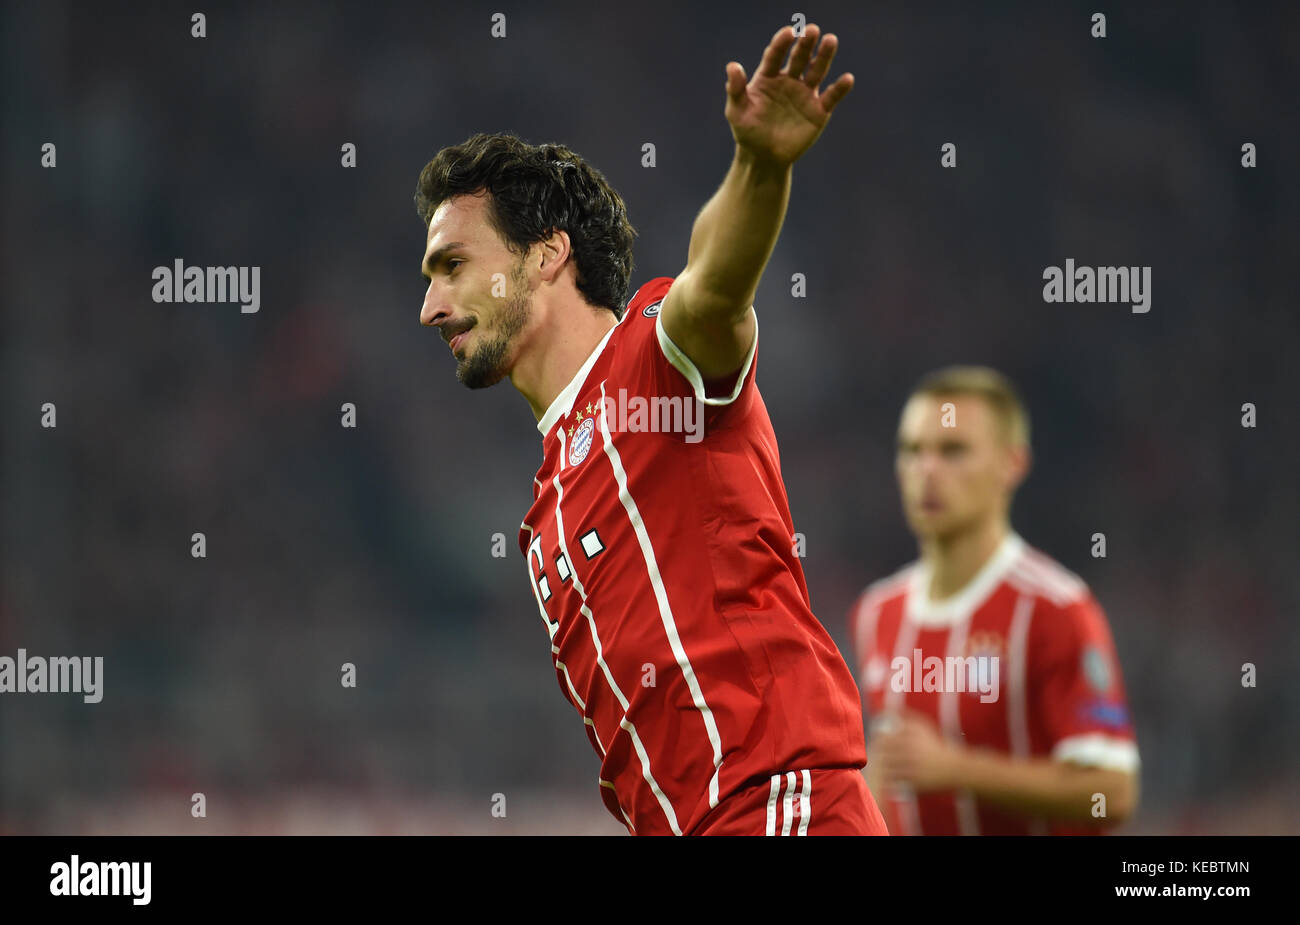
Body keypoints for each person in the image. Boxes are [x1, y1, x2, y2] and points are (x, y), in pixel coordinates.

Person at [413, 23, 886, 835]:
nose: (429, 308)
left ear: (547, 254)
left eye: (453, 265)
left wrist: (760, 166)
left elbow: (718, 286)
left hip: (780, 808)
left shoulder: (658, 360)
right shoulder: (540, 519)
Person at [849, 366, 1140, 834]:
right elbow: (891, 773)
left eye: (952, 451)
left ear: (1013, 464)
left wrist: (957, 769)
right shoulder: (876, 612)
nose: (926, 470)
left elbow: (1114, 790)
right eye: (912, 451)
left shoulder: (1055, 608)